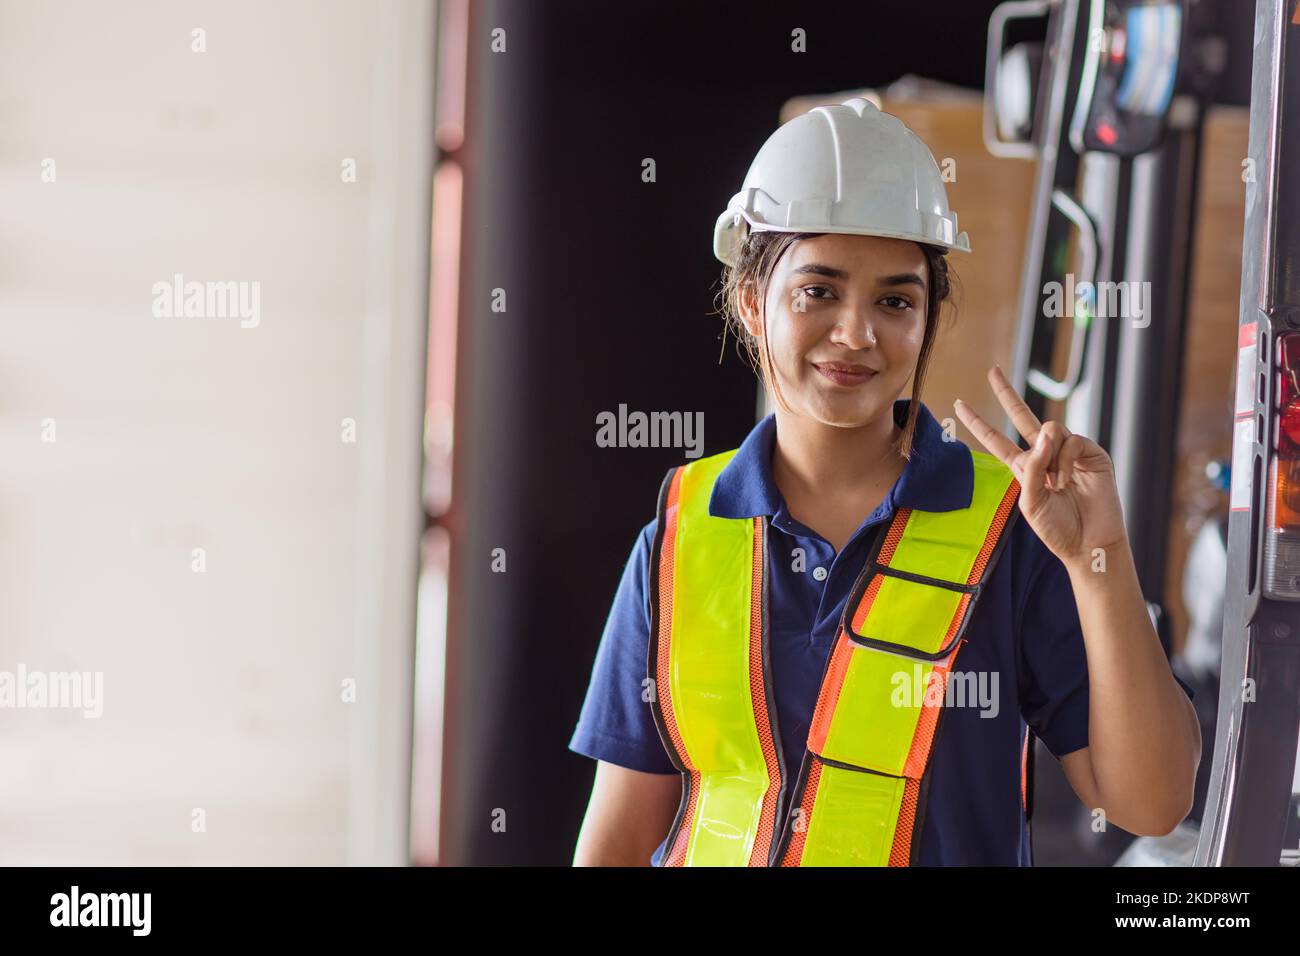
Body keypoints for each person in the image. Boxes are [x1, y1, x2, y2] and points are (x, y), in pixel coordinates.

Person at [568, 97, 1200, 866]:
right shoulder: (681, 534)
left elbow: (1152, 803)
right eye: (818, 291)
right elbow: (622, 833)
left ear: (929, 319)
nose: (857, 334)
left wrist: (1098, 558)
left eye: (895, 300)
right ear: (751, 303)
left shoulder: (1011, 529)